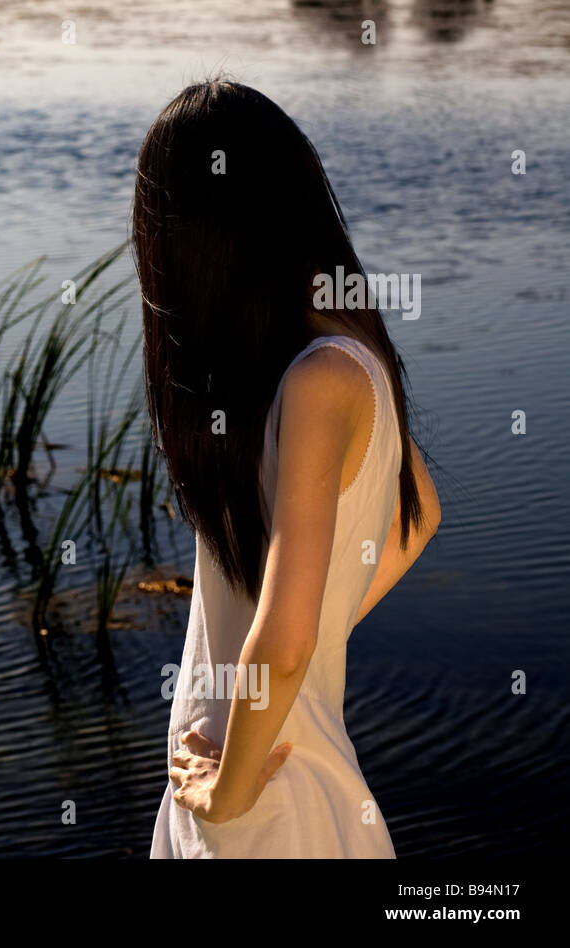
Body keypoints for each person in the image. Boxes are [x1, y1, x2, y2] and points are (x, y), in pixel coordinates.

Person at [131, 79, 442, 857]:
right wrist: (309, 638)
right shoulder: (338, 353)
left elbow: (285, 636)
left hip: (262, 802)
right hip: (259, 762)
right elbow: (419, 516)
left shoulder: (315, 381)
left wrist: (227, 793)